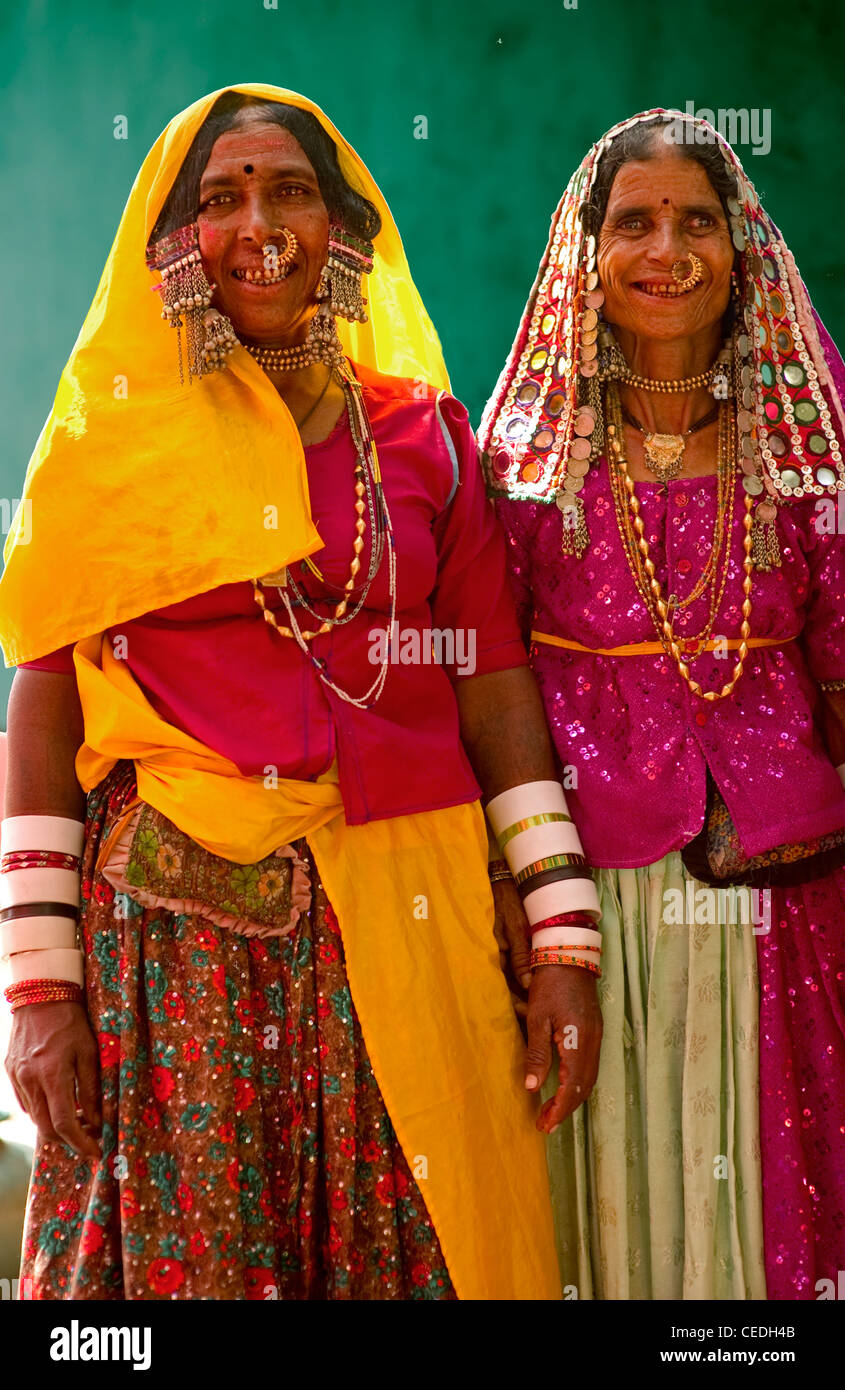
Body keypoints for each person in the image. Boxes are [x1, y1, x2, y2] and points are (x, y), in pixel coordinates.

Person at [0, 83, 603, 1300]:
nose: (256, 222)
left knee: (423, 1250)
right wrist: (39, 985)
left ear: (343, 229)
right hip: (181, 946)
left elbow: (490, 683)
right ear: (173, 247)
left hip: (411, 907)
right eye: (219, 198)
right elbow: (48, 698)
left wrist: (560, 938)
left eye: (289, 191)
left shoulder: (425, 436)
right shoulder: (111, 442)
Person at [481, 108, 845, 1300]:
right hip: (587, 908)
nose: (665, 248)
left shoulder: (807, 443)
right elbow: (482, 703)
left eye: (697, 220)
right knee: (606, 1220)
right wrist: (534, 924)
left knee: (775, 1232)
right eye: (631, 221)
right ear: (583, 258)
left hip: (786, 904)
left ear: (742, 252)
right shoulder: (523, 464)